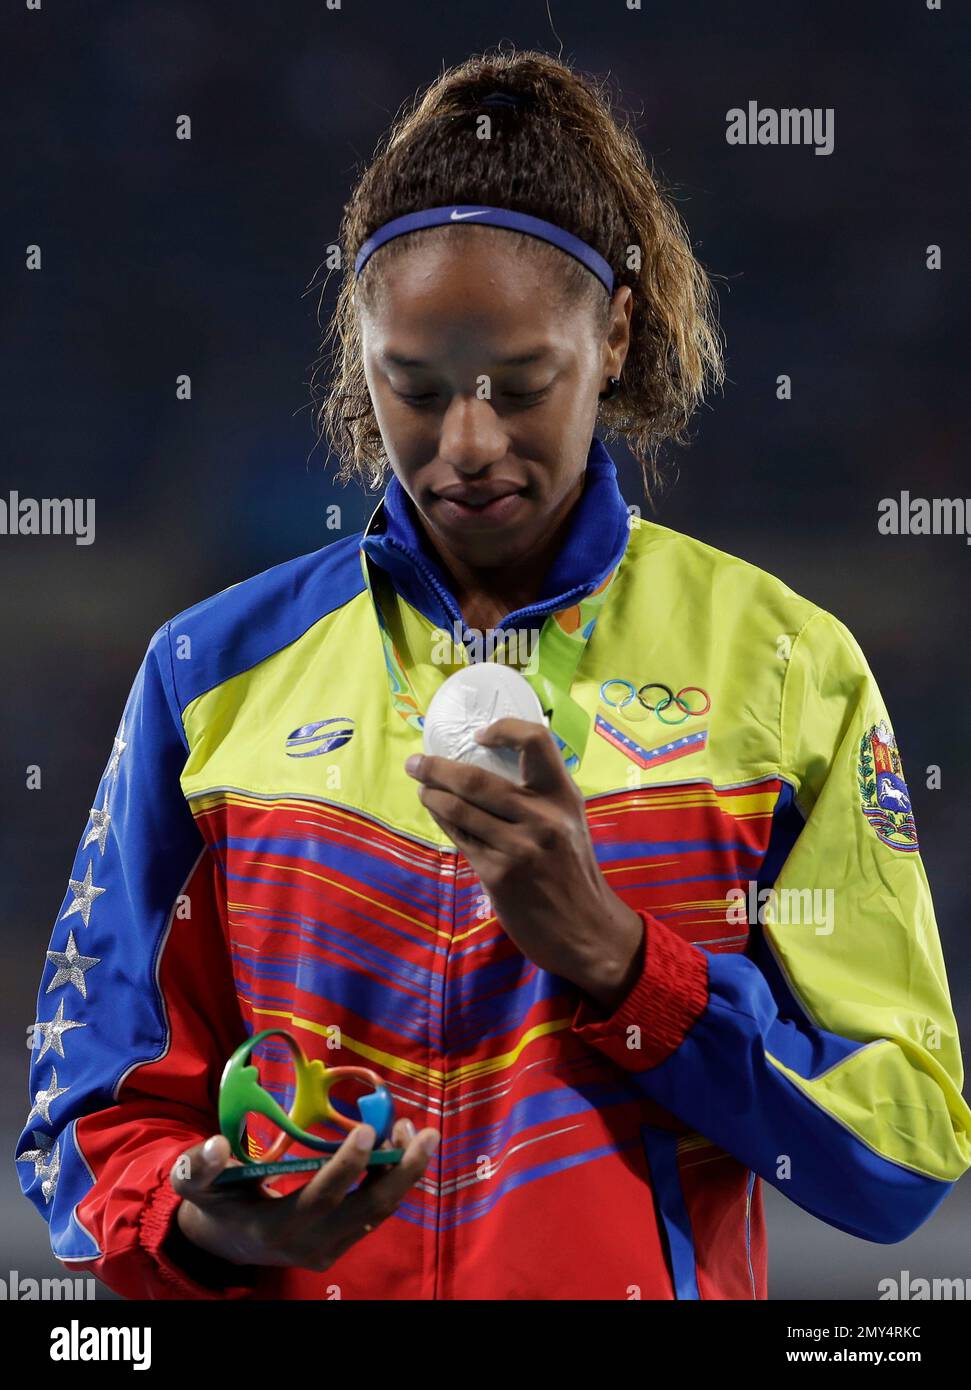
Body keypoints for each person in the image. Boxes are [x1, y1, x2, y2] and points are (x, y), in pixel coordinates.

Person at [16, 50, 971, 1301]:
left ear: (615, 334)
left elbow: (899, 1152)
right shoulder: (206, 676)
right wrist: (211, 1236)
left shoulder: (788, 670)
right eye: (410, 388)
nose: (464, 447)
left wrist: (624, 966)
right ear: (359, 354)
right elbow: (83, 1118)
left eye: (522, 387)